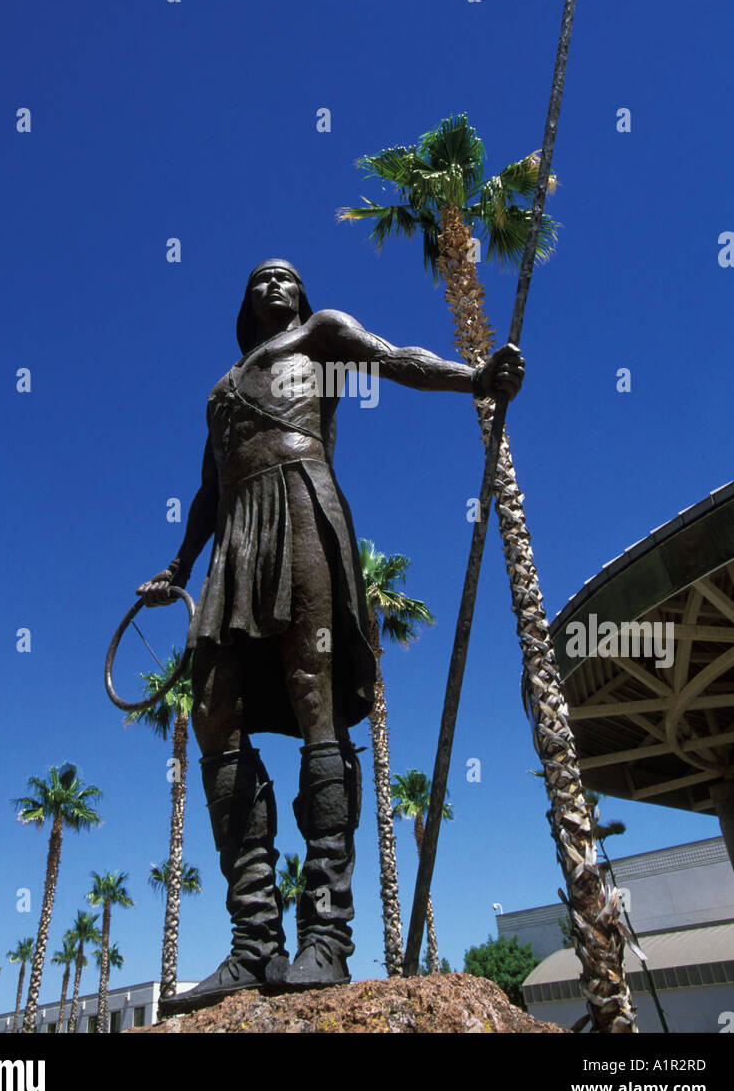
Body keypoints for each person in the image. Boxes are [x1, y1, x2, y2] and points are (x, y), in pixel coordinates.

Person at [137, 259, 524, 1012]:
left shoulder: (319, 337)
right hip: (235, 543)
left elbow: (394, 360)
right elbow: (209, 492)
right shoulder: (221, 390)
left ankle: (327, 939)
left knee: (314, 696)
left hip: (304, 507)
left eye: (286, 277)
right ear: (245, 301)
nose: (275, 285)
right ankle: (255, 945)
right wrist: (179, 567)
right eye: (260, 279)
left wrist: (475, 379)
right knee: (214, 712)